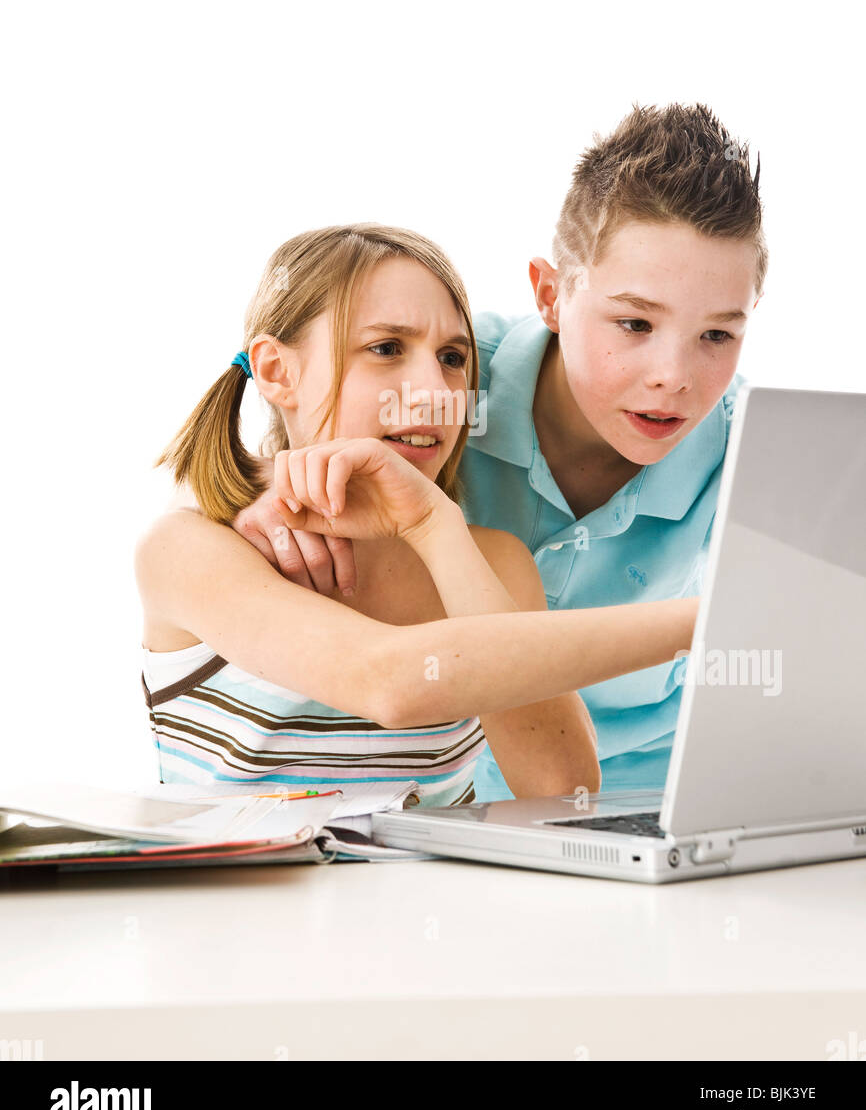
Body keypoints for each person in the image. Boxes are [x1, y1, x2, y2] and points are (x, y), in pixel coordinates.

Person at [225, 103, 766, 800]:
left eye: (717, 336)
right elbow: (282, 420)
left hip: (632, 812)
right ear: (550, 294)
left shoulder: (757, 455)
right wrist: (270, 492)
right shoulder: (440, 381)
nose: (674, 375)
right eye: (634, 323)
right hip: (435, 814)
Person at [135, 223, 697, 805]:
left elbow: (561, 786)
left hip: (431, 898)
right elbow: (392, 683)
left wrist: (434, 527)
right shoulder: (190, 547)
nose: (436, 390)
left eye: (453, 358)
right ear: (278, 372)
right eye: (386, 349)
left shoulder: (493, 561)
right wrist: (703, 624)